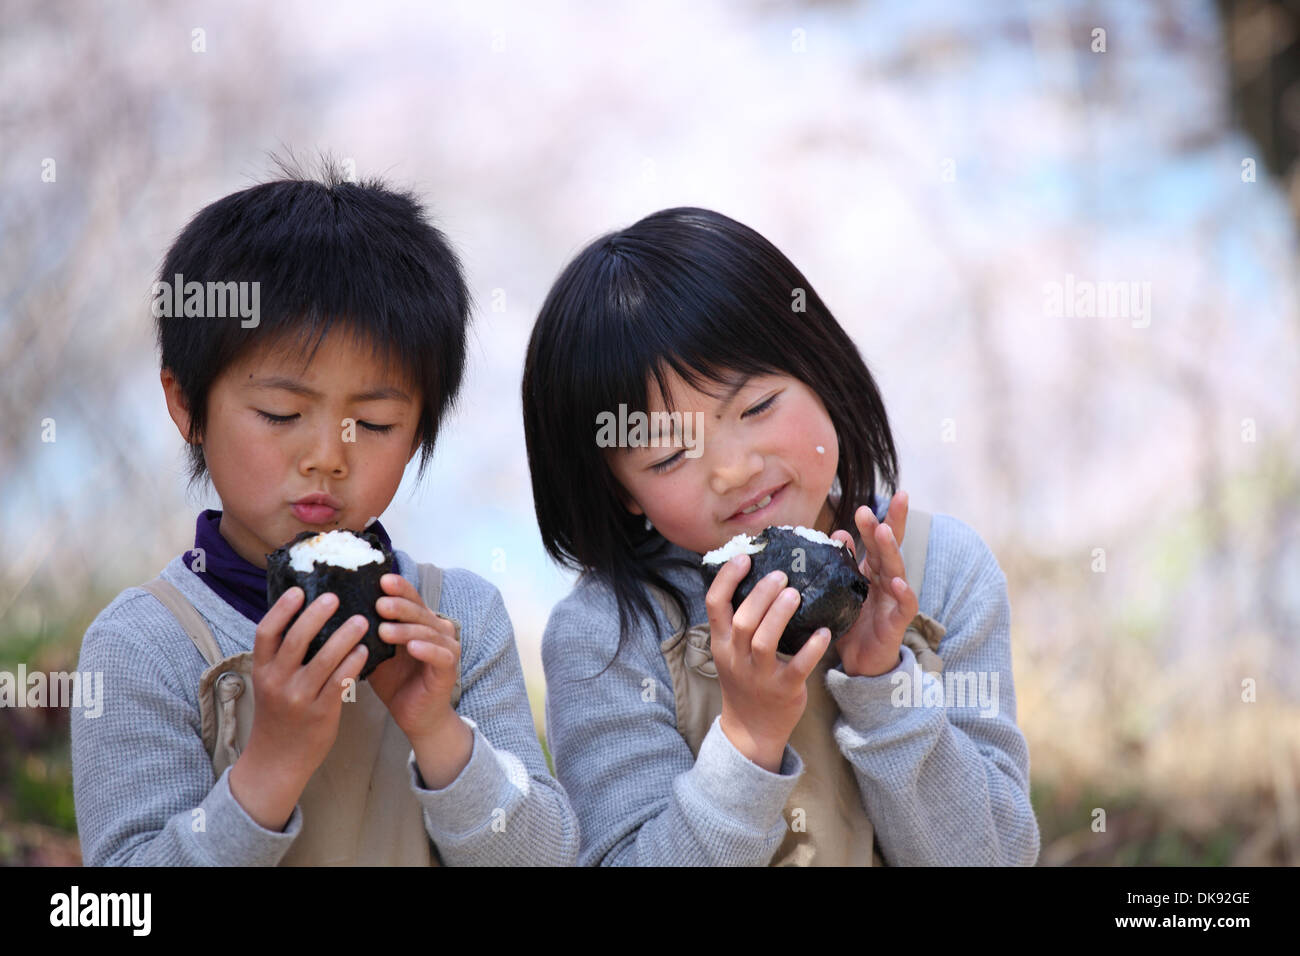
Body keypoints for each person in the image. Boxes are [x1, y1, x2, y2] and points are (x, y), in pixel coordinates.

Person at [71, 161, 578, 866]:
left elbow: (547, 859)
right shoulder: (143, 645)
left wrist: (438, 731)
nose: (327, 457)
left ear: (421, 431)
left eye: (373, 423)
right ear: (186, 404)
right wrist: (271, 765)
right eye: (281, 413)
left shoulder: (459, 618)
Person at [521, 206, 1040, 865]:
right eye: (668, 456)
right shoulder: (608, 634)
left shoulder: (940, 570)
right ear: (620, 489)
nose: (734, 469)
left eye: (758, 407)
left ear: (822, 371)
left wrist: (885, 686)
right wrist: (745, 739)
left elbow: (995, 857)